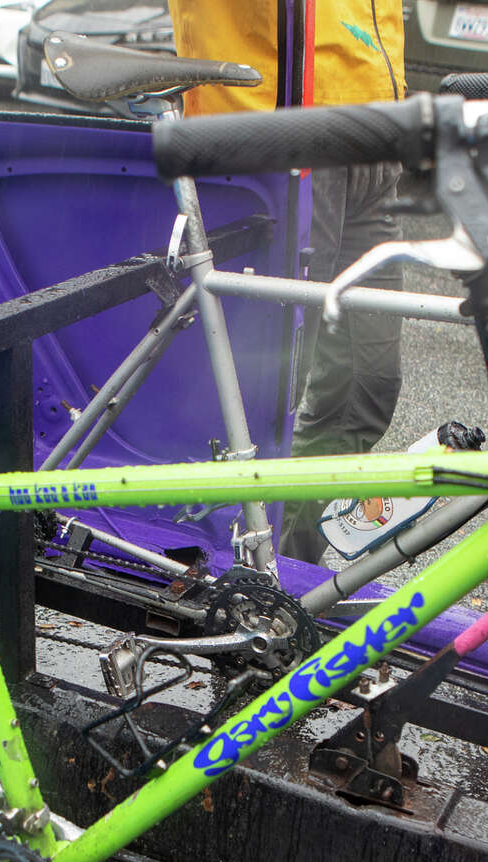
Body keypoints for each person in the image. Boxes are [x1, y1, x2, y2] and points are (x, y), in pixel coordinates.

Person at [167, 0, 407, 562]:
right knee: (272, 390)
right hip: (283, 126)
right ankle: (235, 565)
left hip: (372, 127)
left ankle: (287, 577)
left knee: (364, 387)